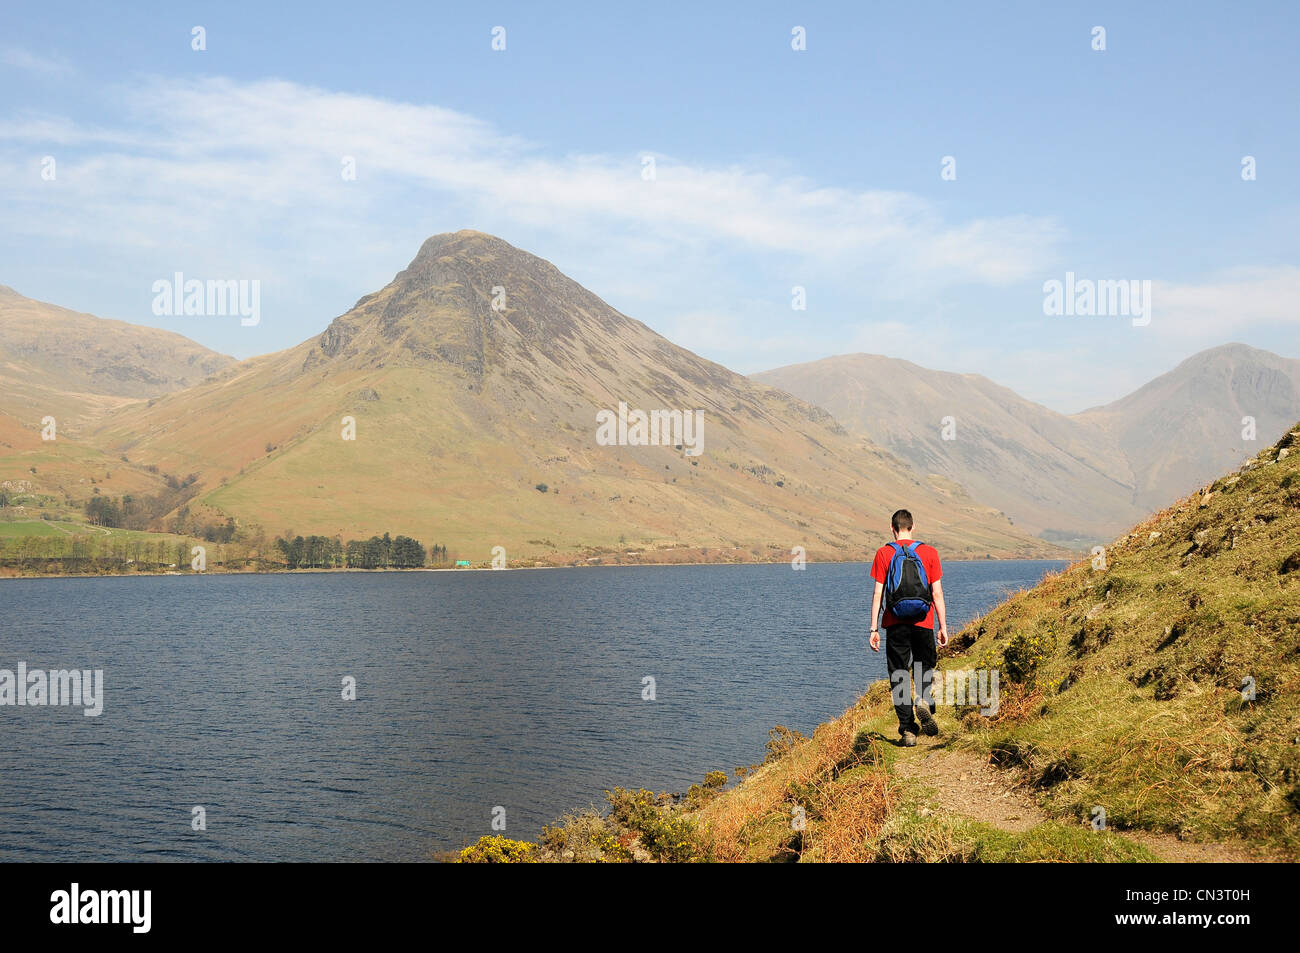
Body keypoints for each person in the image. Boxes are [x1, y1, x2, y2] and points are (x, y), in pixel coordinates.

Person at [868, 509, 949, 746]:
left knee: (899, 673)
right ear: (913, 527)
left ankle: (908, 731)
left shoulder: (884, 553)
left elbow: (878, 594)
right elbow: (937, 593)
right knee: (924, 664)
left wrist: (873, 629)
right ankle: (923, 699)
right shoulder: (929, 552)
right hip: (924, 621)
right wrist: (943, 626)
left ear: (892, 529)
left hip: (895, 623)